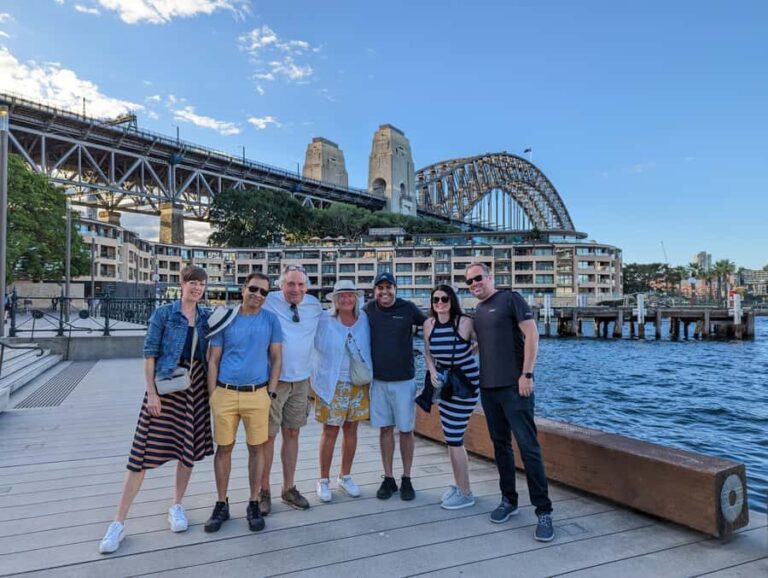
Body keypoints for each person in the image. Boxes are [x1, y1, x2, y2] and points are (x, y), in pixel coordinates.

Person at [99, 265, 212, 554]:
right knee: (140, 456)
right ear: (181, 283)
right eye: (192, 283)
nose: (197, 288)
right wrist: (151, 393)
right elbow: (149, 354)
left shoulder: (206, 317)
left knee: (186, 453)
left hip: (195, 387)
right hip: (165, 386)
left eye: (201, 284)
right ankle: (118, 522)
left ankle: (177, 505)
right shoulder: (163, 314)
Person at [465, 262, 555, 542]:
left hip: (516, 387)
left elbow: (531, 334)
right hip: (488, 389)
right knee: (500, 447)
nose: (474, 284)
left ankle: (543, 511)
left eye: (478, 278)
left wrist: (527, 374)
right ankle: (509, 500)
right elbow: (486, 343)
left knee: (528, 448)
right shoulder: (478, 311)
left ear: (490, 277)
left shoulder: (510, 298)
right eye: (469, 281)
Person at [204, 272, 282, 533]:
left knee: (256, 449)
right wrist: (212, 394)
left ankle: (252, 501)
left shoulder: (271, 320)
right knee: (223, 448)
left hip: (257, 394)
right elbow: (213, 359)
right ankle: (221, 503)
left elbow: (276, 358)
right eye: (254, 289)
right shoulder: (226, 319)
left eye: (263, 292)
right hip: (225, 393)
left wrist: (270, 393)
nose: (258, 295)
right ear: (243, 288)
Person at [261, 265, 322, 512]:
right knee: (268, 436)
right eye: (290, 284)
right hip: (274, 380)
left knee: (293, 434)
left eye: (300, 284)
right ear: (280, 285)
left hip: (302, 381)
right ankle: (262, 490)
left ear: (306, 286)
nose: (296, 289)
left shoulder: (314, 305)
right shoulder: (268, 301)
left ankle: (288, 488)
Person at [363, 272, 426, 501]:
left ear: (395, 289)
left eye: (389, 287)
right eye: (380, 288)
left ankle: (406, 478)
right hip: (378, 381)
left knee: (406, 430)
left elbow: (431, 325)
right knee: (385, 429)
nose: (384, 292)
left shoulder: (408, 308)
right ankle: (388, 478)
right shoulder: (368, 309)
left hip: (404, 380)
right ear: (374, 291)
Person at [312, 280, 372, 502]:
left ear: (356, 298)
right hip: (332, 382)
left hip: (358, 382)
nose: (346, 299)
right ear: (335, 299)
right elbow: (312, 343)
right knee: (330, 431)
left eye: (350, 295)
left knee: (351, 429)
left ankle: (345, 476)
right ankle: (323, 479)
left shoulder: (364, 319)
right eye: (341, 296)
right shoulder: (324, 320)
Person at [423, 284, 480, 510]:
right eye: (435, 300)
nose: (439, 304)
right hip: (445, 385)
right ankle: (460, 485)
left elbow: (483, 343)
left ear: (452, 300)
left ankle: (466, 493)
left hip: (464, 386)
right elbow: (428, 352)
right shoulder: (429, 324)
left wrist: (468, 355)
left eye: (444, 299)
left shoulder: (464, 322)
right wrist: (433, 370)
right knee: (451, 438)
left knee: (454, 439)